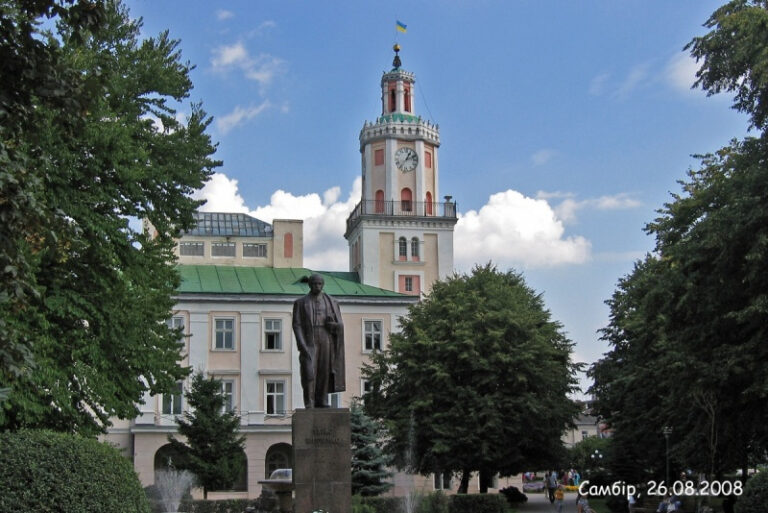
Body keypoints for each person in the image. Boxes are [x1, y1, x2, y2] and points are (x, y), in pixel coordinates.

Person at [292, 273, 346, 408]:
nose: (317, 286)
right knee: (309, 372)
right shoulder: (301, 302)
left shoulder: (331, 302)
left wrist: (333, 326)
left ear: (323, 285)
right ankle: (309, 402)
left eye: (319, 284)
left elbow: (339, 324)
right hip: (309, 339)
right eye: (314, 284)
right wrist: (301, 344)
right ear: (309, 285)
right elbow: (297, 324)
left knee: (324, 371)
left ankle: (322, 400)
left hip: (326, 337)